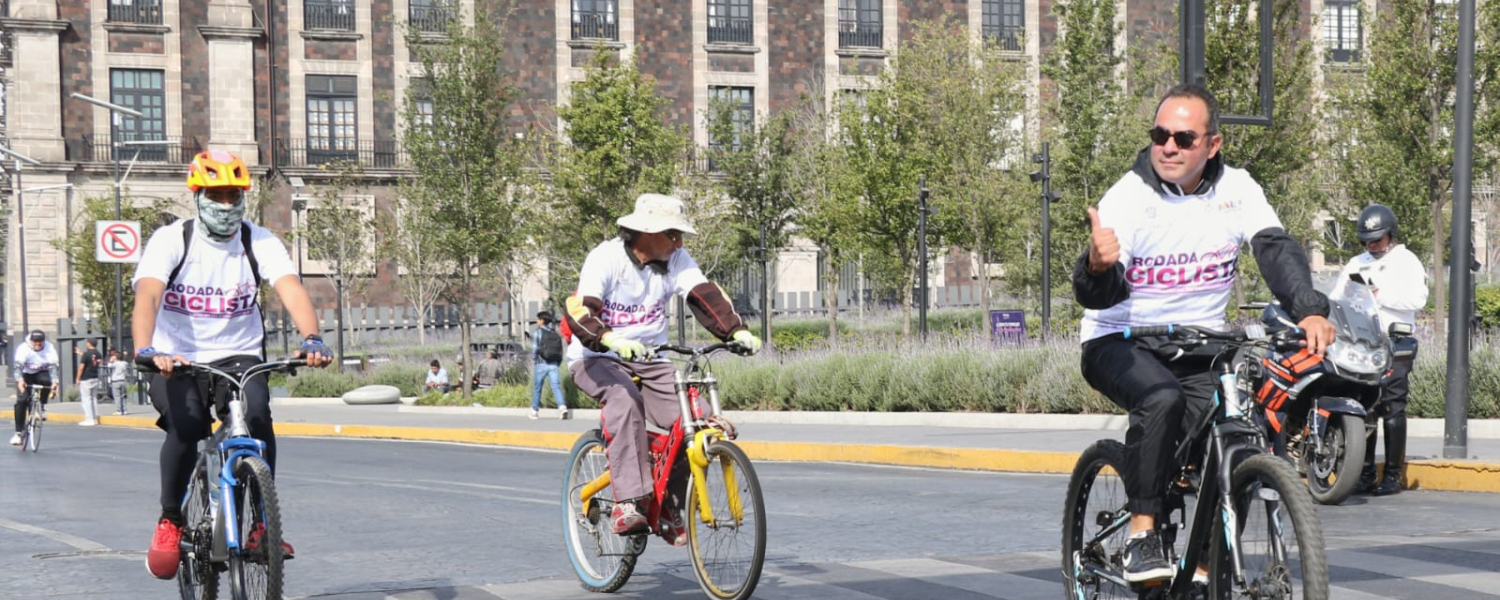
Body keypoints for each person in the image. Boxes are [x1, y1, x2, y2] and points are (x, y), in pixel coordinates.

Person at [1072, 83, 1335, 585]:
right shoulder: (1129, 197)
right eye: (1160, 135)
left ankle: (1203, 565)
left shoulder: (1237, 189)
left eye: (1183, 138)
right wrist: (1096, 265)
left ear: (1212, 145)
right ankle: (1142, 534)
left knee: (1239, 425)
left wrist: (1309, 311)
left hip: (1203, 343)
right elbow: (1097, 294)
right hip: (1121, 339)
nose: (1168, 147)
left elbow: (1276, 250)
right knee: (1162, 398)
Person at [132, 149, 333, 580]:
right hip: (176, 357)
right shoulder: (172, 240)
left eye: (234, 196)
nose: (227, 205)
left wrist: (312, 337)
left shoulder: (257, 240)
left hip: (239, 355)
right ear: (198, 196)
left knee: (258, 419)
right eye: (217, 195)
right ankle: (170, 518)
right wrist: (147, 349)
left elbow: (290, 287)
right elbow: (147, 294)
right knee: (188, 430)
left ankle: (261, 526)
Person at [564, 193, 762, 546]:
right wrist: (609, 338)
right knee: (625, 403)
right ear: (646, 232)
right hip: (596, 357)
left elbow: (703, 294)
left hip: (650, 358)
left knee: (695, 422)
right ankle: (628, 503)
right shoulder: (605, 259)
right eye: (673, 234)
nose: (679, 242)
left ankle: (670, 504)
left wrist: (735, 330)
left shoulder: (676, 259)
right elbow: (581, 311)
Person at [1332, 204, 1428, 496]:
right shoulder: (1356, 263)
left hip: (1395, 341)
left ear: (1390, 234)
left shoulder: (1406, 261)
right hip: (1362, 342)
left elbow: (1417, 299)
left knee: (1392, 406)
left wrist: (1379, 294)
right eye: (1366, 240)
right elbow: (1336, 296)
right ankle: (1364, 472)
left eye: (1377, 239)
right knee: (1363, 407)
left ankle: (1393, 474)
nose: (1371, 245)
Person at [11, 330, 59, 445]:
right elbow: (17, 367)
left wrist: (55, 382)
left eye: (40, 342)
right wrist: (20, 380)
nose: (38, 344)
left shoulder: (49, 348)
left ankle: (41, 407)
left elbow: (53, 366)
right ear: (31, 341)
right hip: (26, 374)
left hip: (41, 372)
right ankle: (18, 433)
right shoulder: (24, 348)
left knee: (46, 381)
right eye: (35, 342)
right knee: (22, 401)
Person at [530, 311, 568, 420]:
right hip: (554, 364)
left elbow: (535, 349)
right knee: (556, 386)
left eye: (538, 319)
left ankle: (534, 411)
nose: (537, 321)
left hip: (541, 363)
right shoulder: (554, 333)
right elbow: (560, 351)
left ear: (542, 321)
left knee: (537, 388)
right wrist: (557, 363)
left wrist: (535, 360)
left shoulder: (538, 332)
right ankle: (562, 407)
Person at [75, 339, 103, 426]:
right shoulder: (98, 354)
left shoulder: (86, 354)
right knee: (93, 399)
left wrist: (77, 378)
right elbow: (92, 360)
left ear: (89, 344)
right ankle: (94, 418)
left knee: (86, 399)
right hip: (95, 377)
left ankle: (89, 418)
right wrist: (80, 353)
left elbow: (81, 367)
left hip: (86, 378)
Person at [107, 350, 131, 416]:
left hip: (116, 381)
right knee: (123, 396)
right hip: (123, 381)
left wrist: (111, 360)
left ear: (116, 358)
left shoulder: (115, 364)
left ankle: (119, 410)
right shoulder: (125, 363)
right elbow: (125, 362)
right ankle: (125, 409)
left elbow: (109, 366)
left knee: (117, 396)